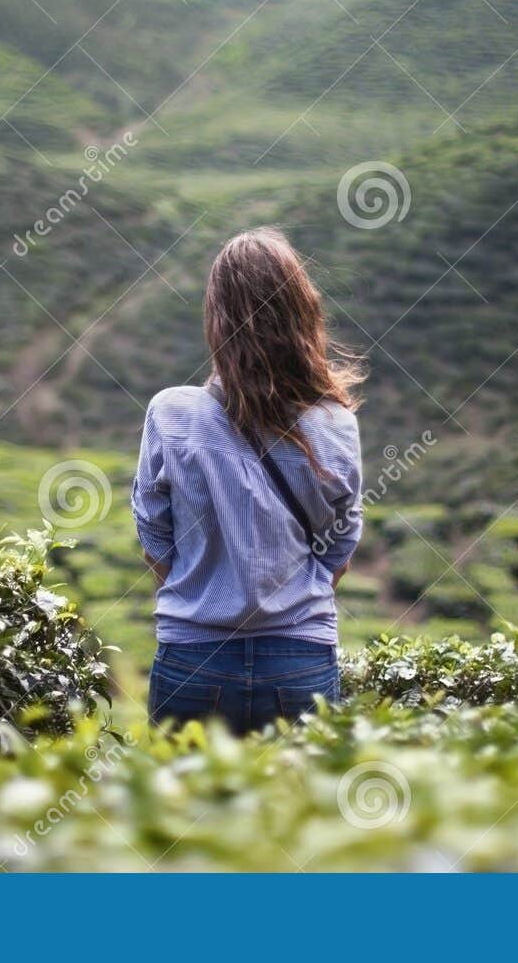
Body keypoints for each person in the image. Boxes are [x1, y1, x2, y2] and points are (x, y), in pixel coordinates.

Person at [131, 227, 365, 734]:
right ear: (303, 315)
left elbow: (153, 535)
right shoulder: (336, 424)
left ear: (217, 319)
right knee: (298, 809)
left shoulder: (170, 413)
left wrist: (202, 595)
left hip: (193, 661)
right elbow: (339, 548)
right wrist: (288, 604)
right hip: (300, 660)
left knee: (181, 809)